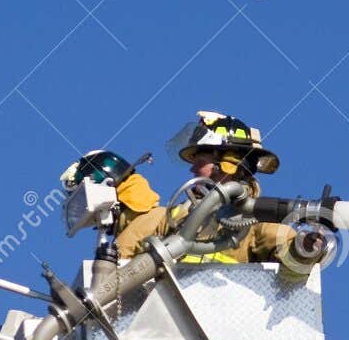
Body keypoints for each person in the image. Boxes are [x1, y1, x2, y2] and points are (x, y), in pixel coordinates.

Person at [114, 111, 296, 264]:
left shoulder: (253, 223)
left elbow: (291, 251)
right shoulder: (172, 217)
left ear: (227, 164)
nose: (192, 169)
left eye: (200, 162)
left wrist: (306, 247)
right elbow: (118, 259)